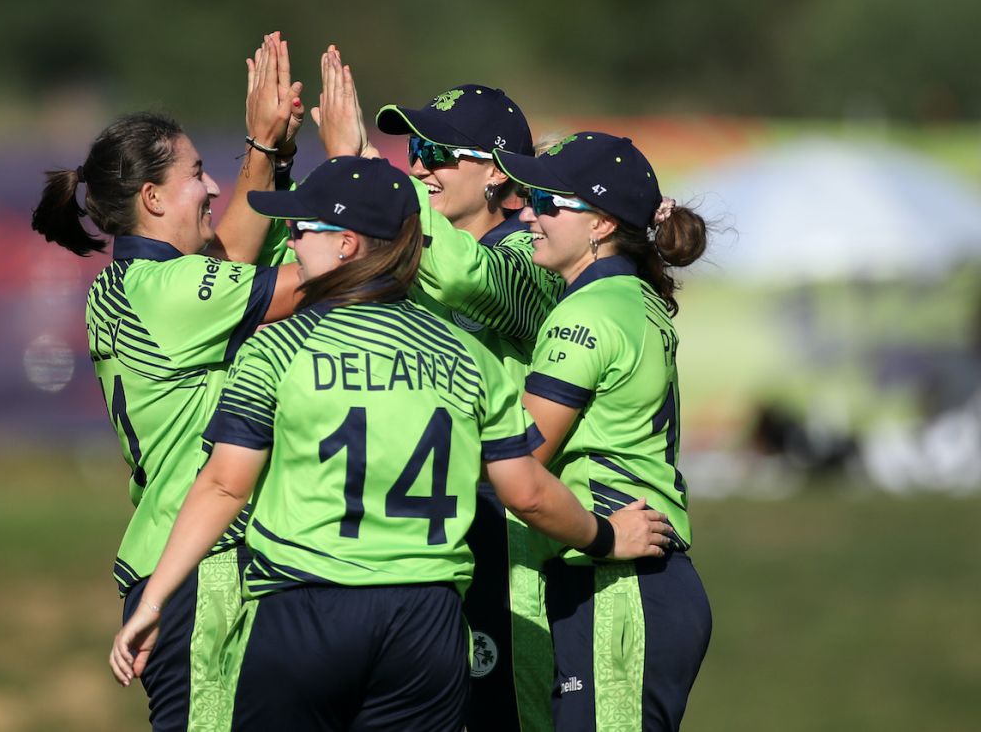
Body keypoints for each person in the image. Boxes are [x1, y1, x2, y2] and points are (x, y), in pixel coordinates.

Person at [110, 156, 672, 732]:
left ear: (348, 244)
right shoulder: (465, 355)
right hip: (427, 627)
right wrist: (604, 535)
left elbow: (225, 484)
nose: (292, 242)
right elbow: (527, 490)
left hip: (307, 608)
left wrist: (154, 601)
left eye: (303, 229)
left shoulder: (279, 349)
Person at [30, 35, 304, 732]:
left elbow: (234, 247)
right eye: (197, 173)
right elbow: (321, 272)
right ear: (151, 196)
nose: (213, 187)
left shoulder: (124, 284)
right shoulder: (176, 290)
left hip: (169, 558)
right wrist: (370, 192)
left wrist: (265, 147)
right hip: (203, 566)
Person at [312, 47, 564, 731]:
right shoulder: (416, 259)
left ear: (496, 174)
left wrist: (367, 167)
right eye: (412, 148)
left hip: (500, 540)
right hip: (416, 544)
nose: (416, 164)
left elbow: (470, 278)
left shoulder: (532, 262)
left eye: (435, 150)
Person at [494, 132, 715, 731]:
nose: (530, 213)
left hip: (618, 579)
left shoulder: (587, 311)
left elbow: (516, 460)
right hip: (633, 579)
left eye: (549, 201)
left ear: (600, 225)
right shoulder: (631, 296)